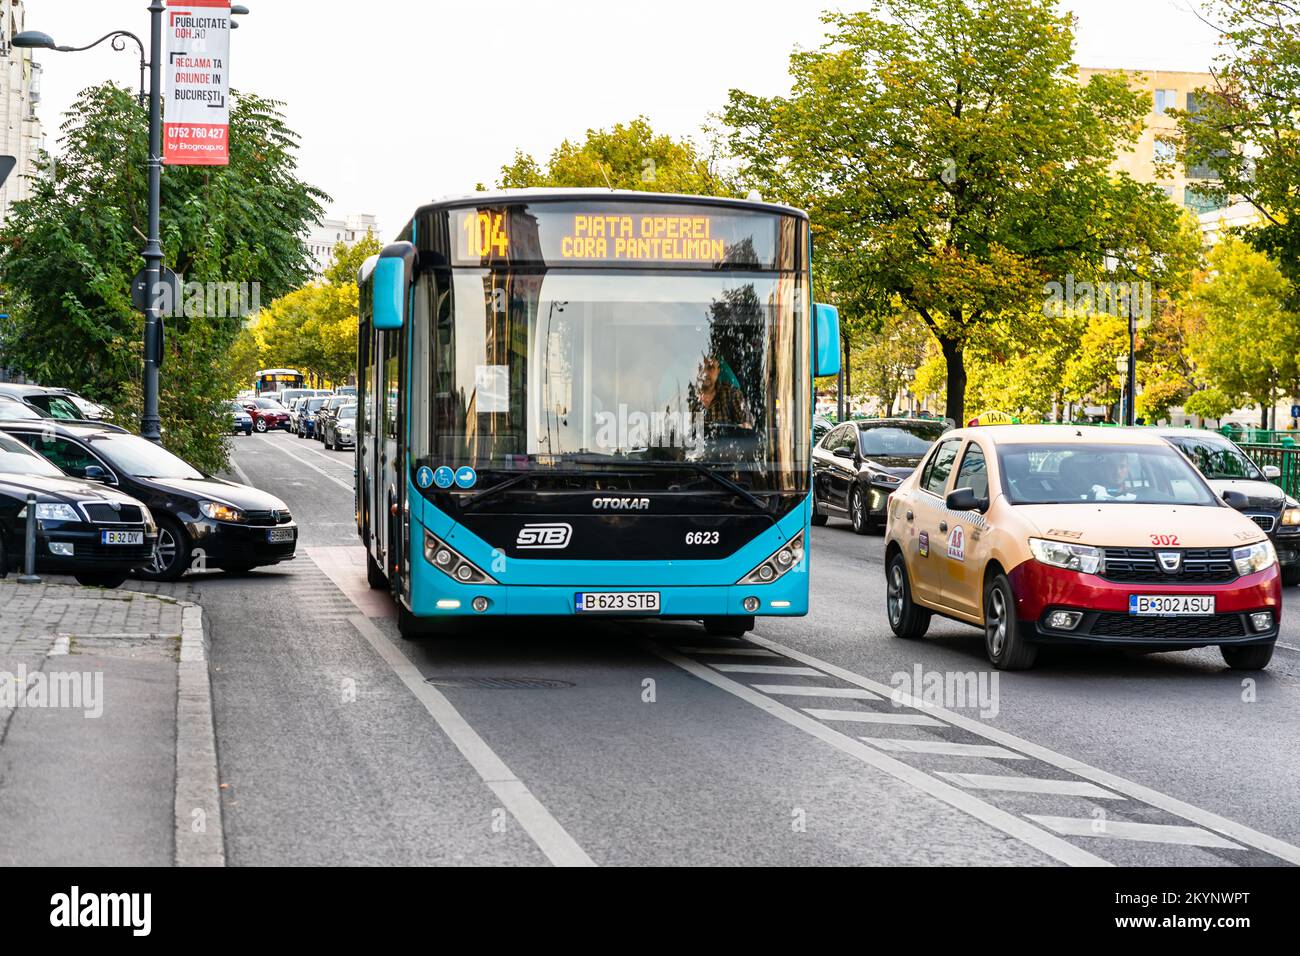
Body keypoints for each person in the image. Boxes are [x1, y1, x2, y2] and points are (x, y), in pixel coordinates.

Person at [695, 354, 753, 429]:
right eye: (701, 367)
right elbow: (682, 438)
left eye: (710, 367)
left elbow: (748, 428)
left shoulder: (732, 394)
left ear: (718, 371)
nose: (705, 373)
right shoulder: (688, 400)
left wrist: (742, 427)